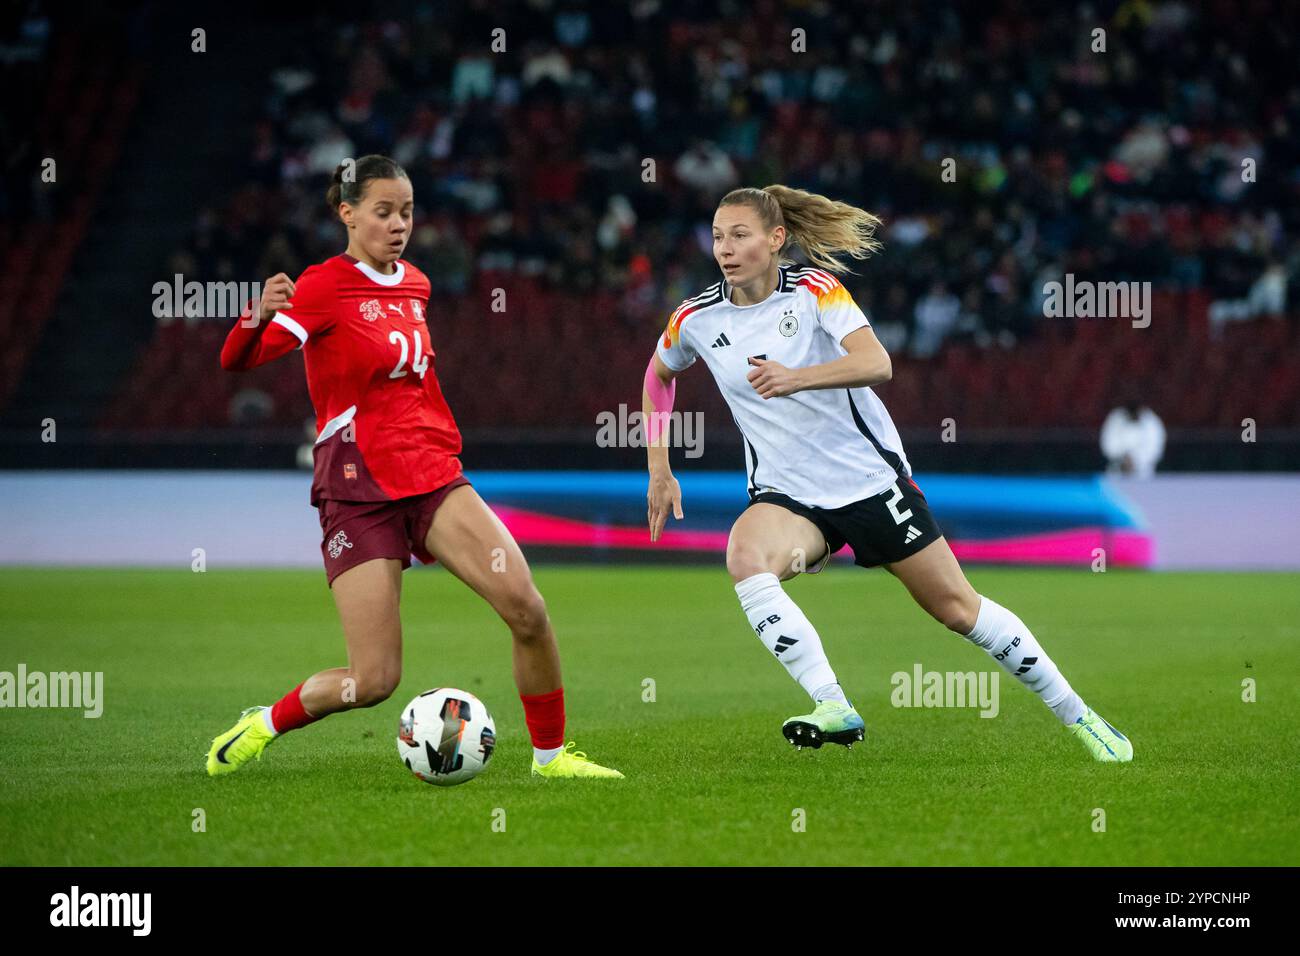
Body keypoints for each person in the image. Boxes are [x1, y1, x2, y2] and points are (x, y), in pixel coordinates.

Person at [643, 185, 1133, 762]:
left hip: (870, 484)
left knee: (958, 610)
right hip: (789, 495)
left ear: (776, 240)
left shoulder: (815, 291)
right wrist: (660, 467)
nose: (725, 247)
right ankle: (832, 704)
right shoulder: (695, 318)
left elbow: (878, 363)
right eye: (719, 235)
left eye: (740, 235)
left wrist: (795, 377)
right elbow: (658, 376)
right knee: (745, 556)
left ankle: (1082, 718)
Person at [207, 155, 621, 780]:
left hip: (431, 475)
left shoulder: (417, 284)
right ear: (347, 214)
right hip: (356, 491)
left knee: (527, 609)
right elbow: (238, 361)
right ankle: (264, 722)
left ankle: (552, 758)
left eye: (406, 211)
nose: (398, 223)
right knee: (372, 681)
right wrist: (253, 312)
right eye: (383, 212)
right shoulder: (323, 286)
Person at [1101, 399, 1166, 478]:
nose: (1133, 416)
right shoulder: (1115, 418)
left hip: (1143, 472)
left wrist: (1135, 459)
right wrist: (1124, 458)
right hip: (1117, 469)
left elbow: (1155, 448)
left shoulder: (1151, 421)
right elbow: (1108, 444)